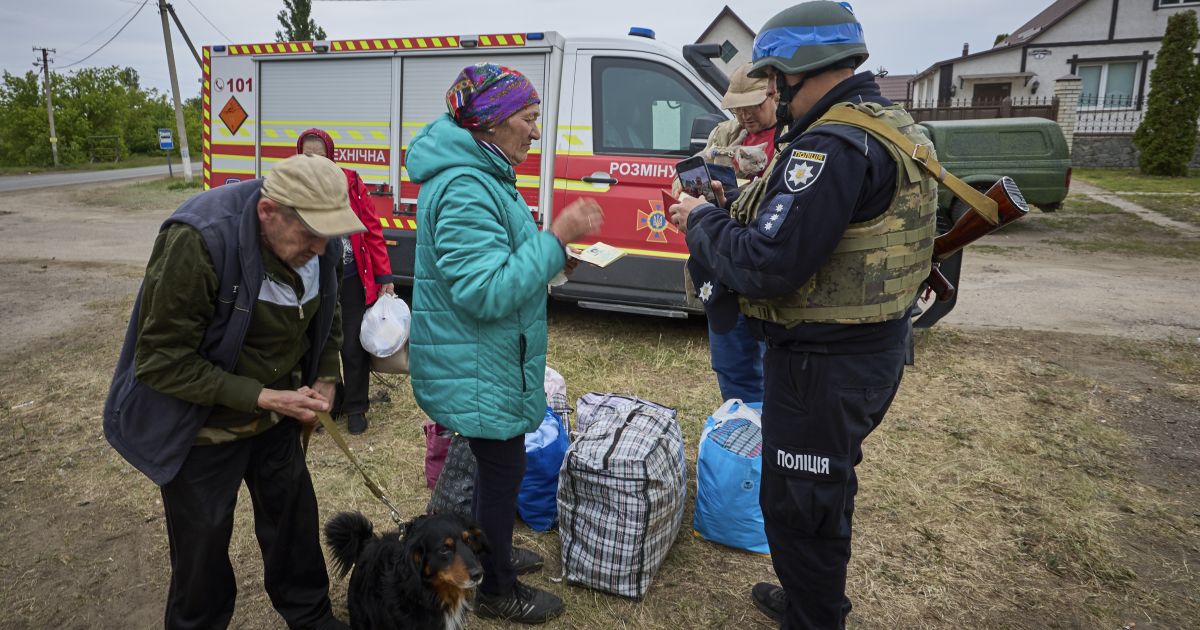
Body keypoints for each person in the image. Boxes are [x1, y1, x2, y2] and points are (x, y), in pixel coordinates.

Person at [667, 2, 937, 628]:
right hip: (867, 352)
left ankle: (814, 615)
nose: (772, 94)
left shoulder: (832, 144)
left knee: (801, 500)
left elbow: (767, 264)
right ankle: (807, 595)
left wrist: (701, 221)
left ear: (797, 71)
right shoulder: (890, 125)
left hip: (824, 365)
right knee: (820, 489)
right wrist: (733, 205)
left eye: (774, 79)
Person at [102, 154, 364, 630]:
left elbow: (329, 316)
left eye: (329, 236)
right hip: (200, 428)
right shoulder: (199, 240)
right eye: (310, 235)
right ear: (269, 213)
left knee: (294, 526)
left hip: (275, 421)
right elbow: (162, 361)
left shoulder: (318, 242)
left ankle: (312, 618)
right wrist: (264, 397)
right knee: (201, 548)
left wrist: (325, 374)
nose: (322, 248)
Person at [405, 63, 604, 624]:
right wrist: (556, 237)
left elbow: (500, 262)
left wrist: (553, 257)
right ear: (490, 123)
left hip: (488, 359)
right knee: (500, 474)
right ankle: (495, 586)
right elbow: (484, 292)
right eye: (528, 118)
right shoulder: (466, 187)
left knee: (498, 471)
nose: (535, 131)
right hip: (476, 363)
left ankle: (485, 549)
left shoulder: (484, 173)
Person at [687, 62, 779, 404]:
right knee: (733, 371)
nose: (744, 115)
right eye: (737, 108)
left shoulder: (797, 136)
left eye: (752, 105)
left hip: (763, 270)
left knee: (773, 379)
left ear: (774, 94)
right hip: (722, 272)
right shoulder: (725, 135)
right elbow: (690, 170)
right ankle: (739, 434)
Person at [297, 128, 394, 435]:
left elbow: (371, 229)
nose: (314, 162)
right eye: (306, 155)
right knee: (318, 343)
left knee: (352, 345)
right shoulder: (294, 185)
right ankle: (332, 402)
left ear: (331, 155)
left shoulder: (350, 180)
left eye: (320, 155)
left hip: (351, 276)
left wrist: (384, 277)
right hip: (312, 279)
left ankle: (356, 406)